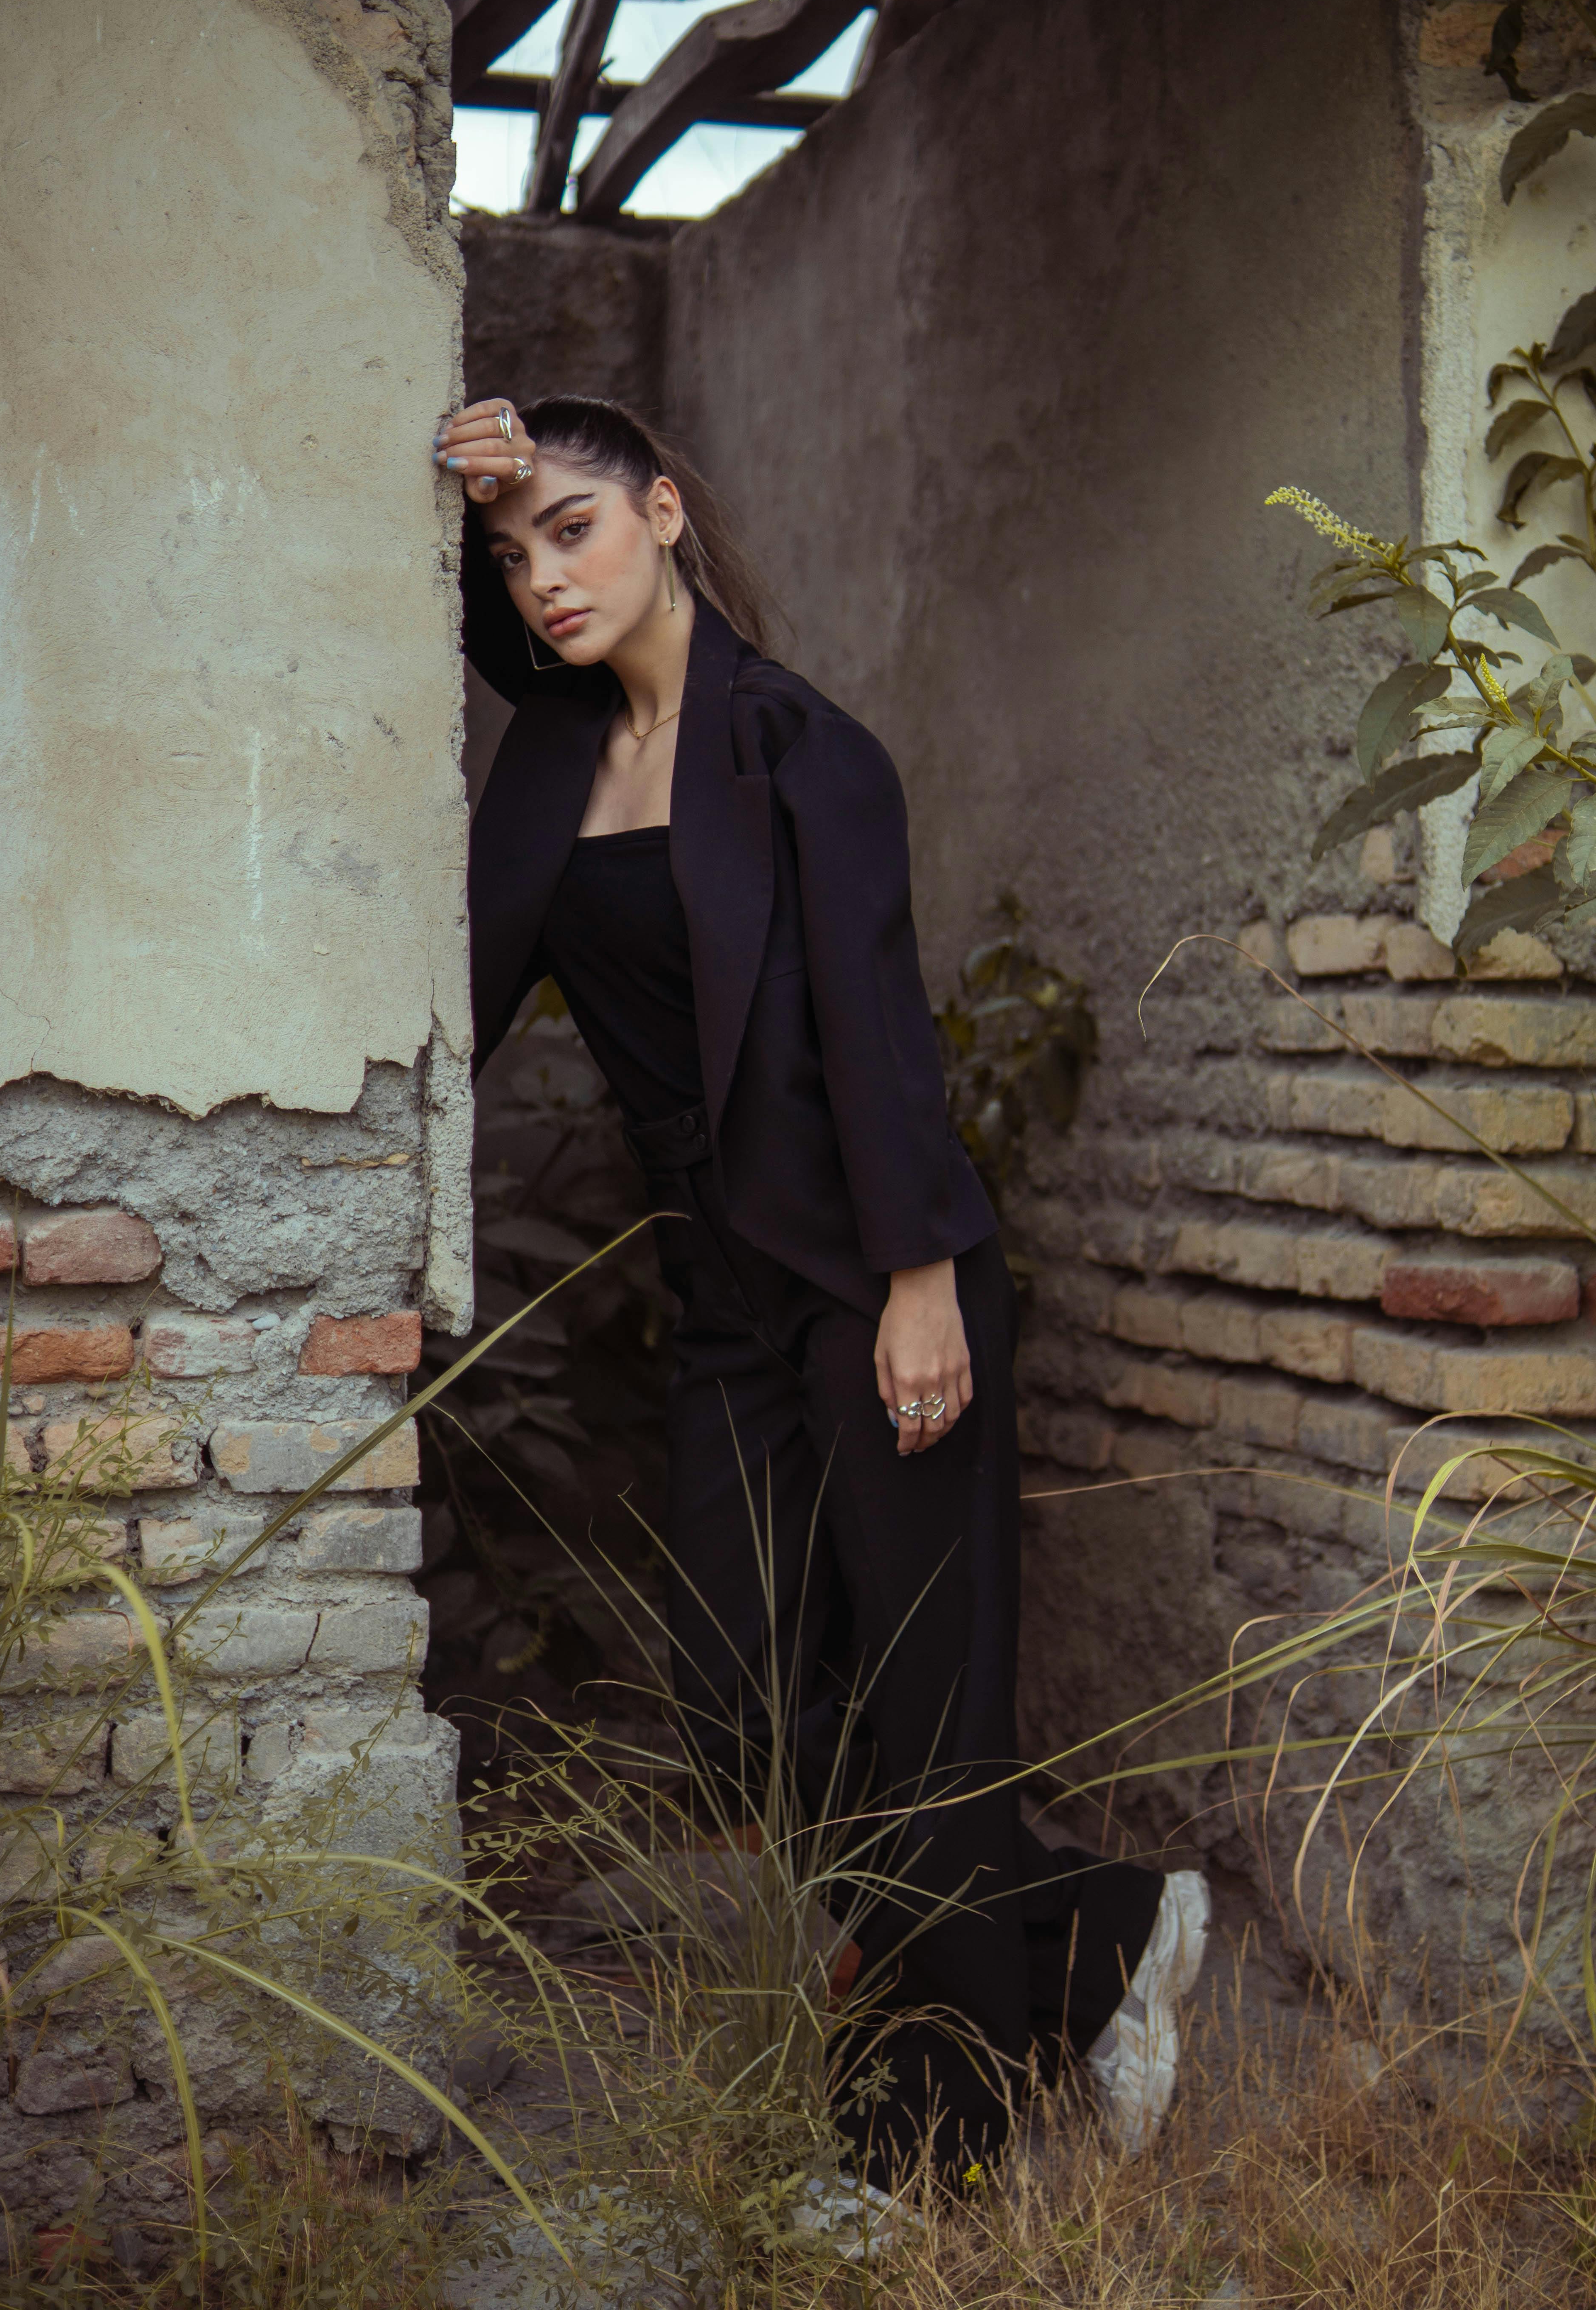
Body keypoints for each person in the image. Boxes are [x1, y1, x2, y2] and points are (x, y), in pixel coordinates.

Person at [435, 391, 1209, 2191]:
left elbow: (878, 1038)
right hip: (724, 1305)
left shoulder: (808, 755)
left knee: (928, 1723)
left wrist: (922, 1283)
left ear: (666, 513)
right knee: (749, 1697)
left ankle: (912, 2148)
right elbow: (508, 643)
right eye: (512, 549)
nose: (546, 576)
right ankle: (1097, 1927)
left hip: (875, 1281)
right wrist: (463, 504)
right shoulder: (553, 758)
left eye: (575, 528)